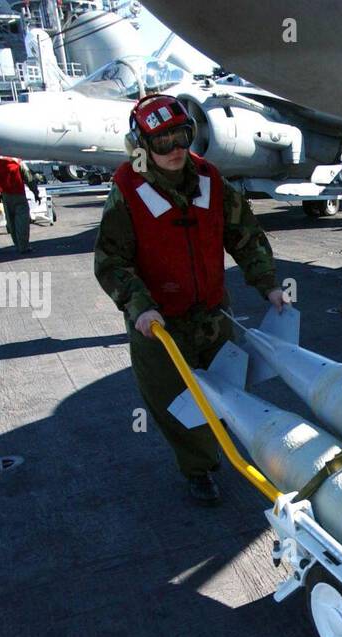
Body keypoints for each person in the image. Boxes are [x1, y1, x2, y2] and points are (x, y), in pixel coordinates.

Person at [94, 94, 285, 505]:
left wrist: (267, 283)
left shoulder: (210, 179)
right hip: (159, 326)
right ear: (143, 145)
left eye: (182, 136)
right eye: (163, 142)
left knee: (230, 391)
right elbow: (112, 261)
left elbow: (245, 236)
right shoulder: (128, 189)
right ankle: (199, 470)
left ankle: (234, 452)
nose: (176, 149)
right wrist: (140, 306)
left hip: (214, 317)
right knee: (177, 405)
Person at [0, 155, 41, 254]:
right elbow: (29, 178)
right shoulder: (18, 162)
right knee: (22, 221)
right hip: (19, 195)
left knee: (11, 221)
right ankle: (23, 247)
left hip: (5, 196)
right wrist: (35, 193)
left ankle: (17, 244)